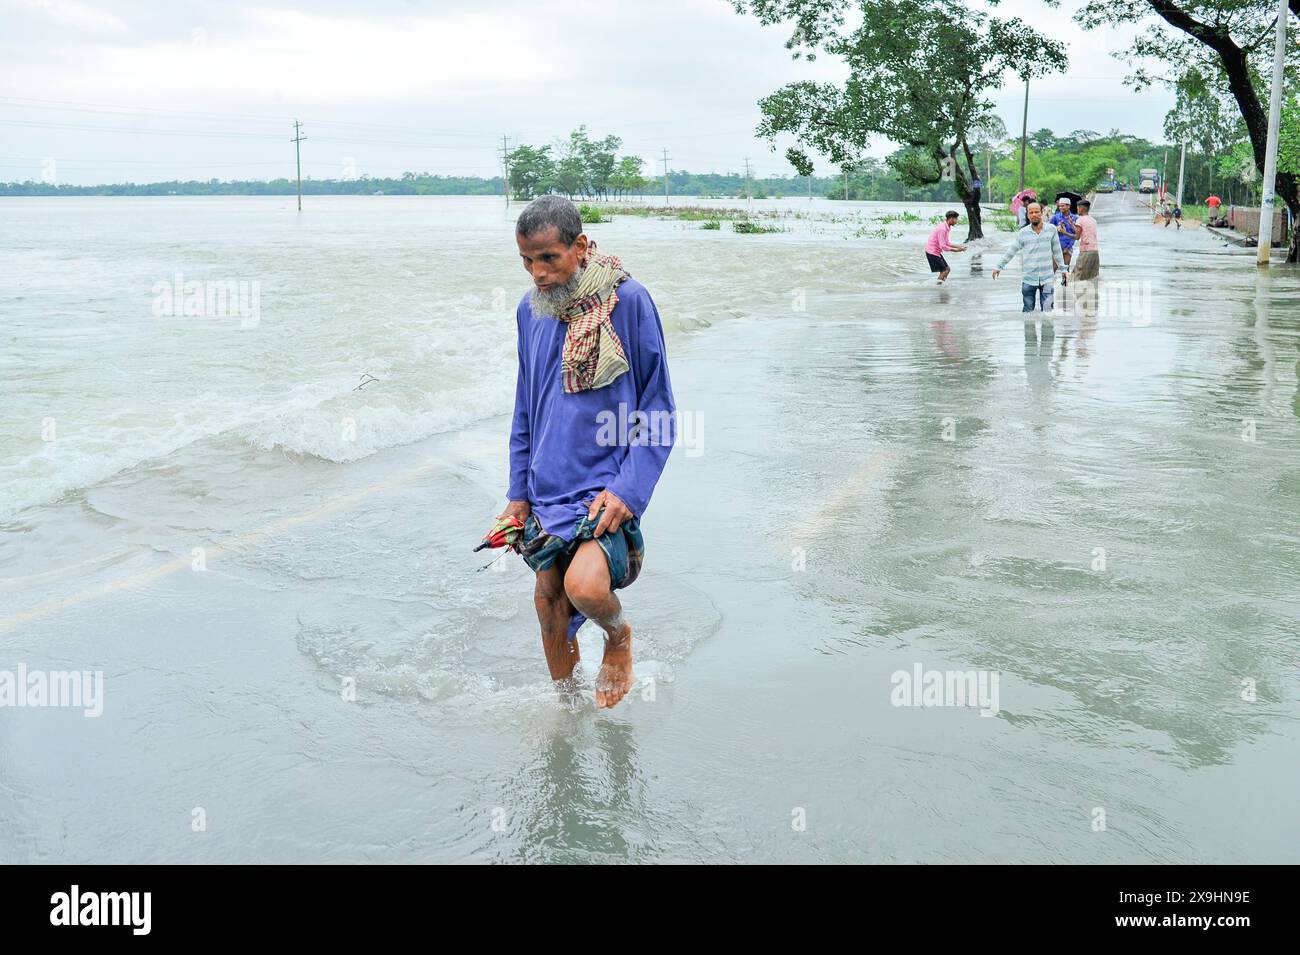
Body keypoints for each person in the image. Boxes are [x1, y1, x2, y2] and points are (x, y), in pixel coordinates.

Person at [502, 195, 676, 709]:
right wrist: (517, 494)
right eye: (527, 261)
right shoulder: (530, 311)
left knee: (586, 587)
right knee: (549, 605)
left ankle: (618, 637)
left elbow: (659, 409)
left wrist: (628, 489)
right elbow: (525, 407)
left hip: (606, 487)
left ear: (580, 246)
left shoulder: (630, 302)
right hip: (546, 487)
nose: (537, 272)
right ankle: (568, 715)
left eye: (548, 258)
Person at [991, 201, 1066, 326]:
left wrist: (1064, 270)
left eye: (1037, 212)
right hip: (1028, 278)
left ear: (1042, 213)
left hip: (1047, 277)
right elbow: (1012, 251)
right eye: (1031, 212)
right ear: (1028, 216)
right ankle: (1030, 343)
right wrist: (999, 266)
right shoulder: (1023, 233)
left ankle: (1047, 343)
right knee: (1027, 313)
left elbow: (1057, 251)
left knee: (1048, 313)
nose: (1034, 214)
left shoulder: (1051, 229)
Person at [924, 210, 966, 283]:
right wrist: (957, 250)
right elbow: (943, 246)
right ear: (951, 219)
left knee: (947, 269)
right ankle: (938, 287)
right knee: (944, 271)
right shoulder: (943, 229)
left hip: (935, 251)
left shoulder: (947, 227)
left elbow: (947, 242)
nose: (957, 221)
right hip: (932, 252)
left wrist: (959, 247)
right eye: (956, 219)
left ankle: (941, 284)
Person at [1048, 197, 1078, 273]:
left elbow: (1076, 235)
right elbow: (1048, 229)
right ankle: (1050, 284)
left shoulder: (1074, 218)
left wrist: (1068, 248)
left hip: (1068, 247)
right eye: (1060, 206)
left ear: (1068, 206)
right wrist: (1056, 228)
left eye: (1063, 206)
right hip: (1056, 246)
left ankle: (1065, 284)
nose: (1061, 207)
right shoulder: (1055, 217)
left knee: (1065, 268)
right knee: (1053, 267)